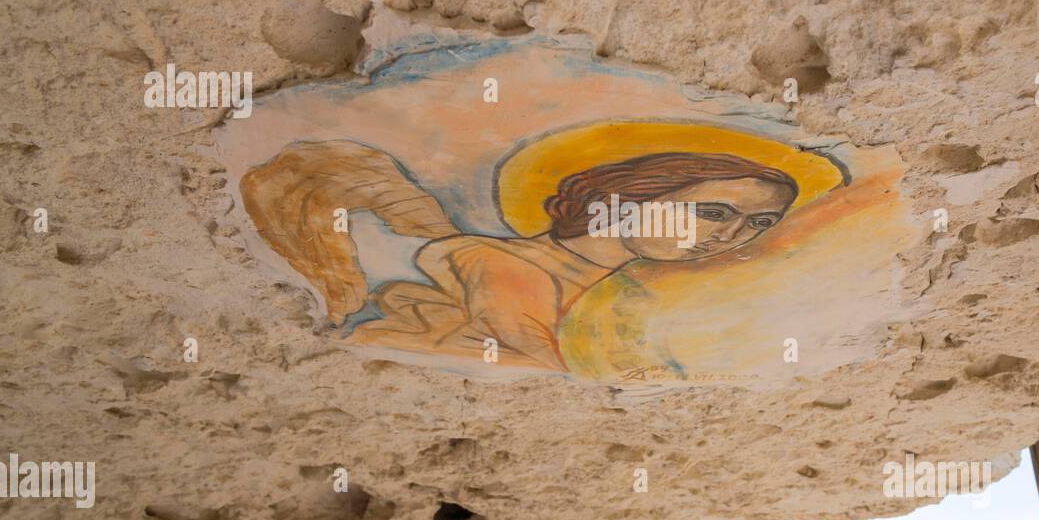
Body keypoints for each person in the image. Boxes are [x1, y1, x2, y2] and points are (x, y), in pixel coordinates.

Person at [240, 139, 798, 371]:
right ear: (628, 199)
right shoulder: (501, 265)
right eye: (715, 213)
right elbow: (560, 362)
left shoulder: (619, 295)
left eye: (761, 224)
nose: (732, 239)